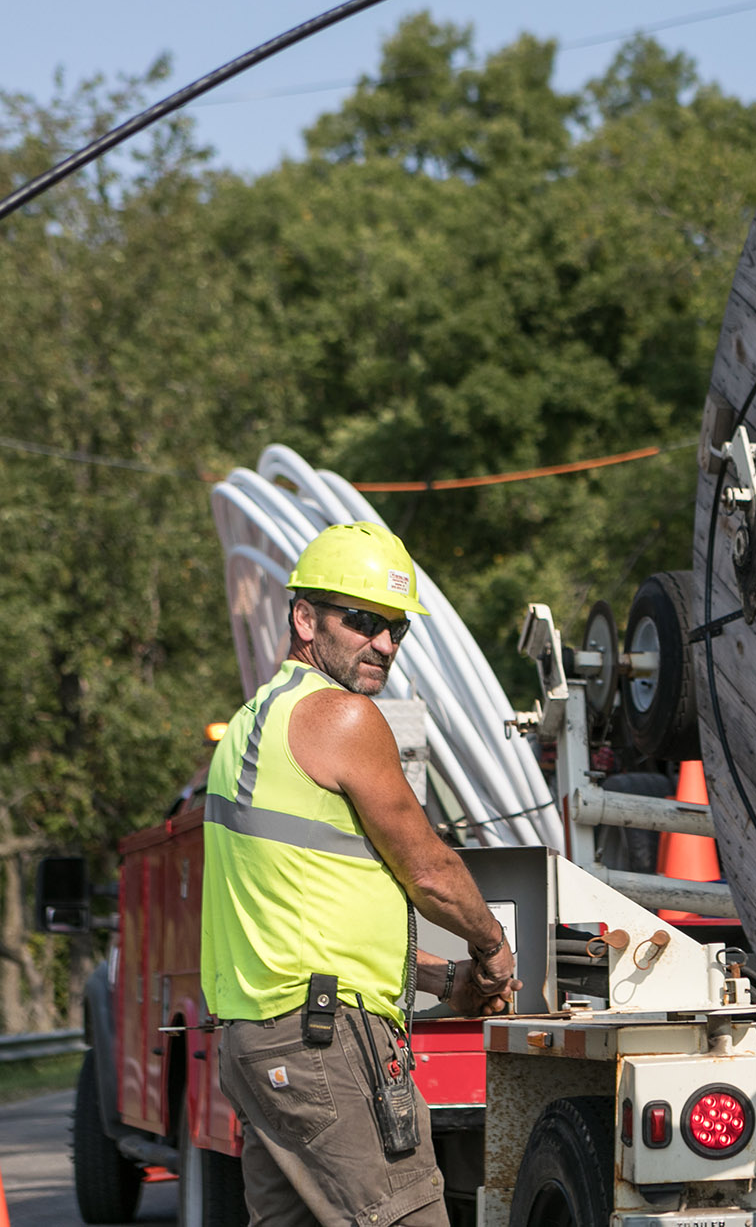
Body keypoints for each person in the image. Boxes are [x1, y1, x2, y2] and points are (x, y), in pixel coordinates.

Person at [202, 522, 519, 1226]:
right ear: (305, 616)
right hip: (323, 1044)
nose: (384, 643)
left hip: (265, 1041)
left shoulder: (255, 722)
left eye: (397, 629)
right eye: (364, 619)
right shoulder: (341, 716)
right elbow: (430, 870)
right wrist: (491, 949)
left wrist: (440, 979)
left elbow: (311, 921)